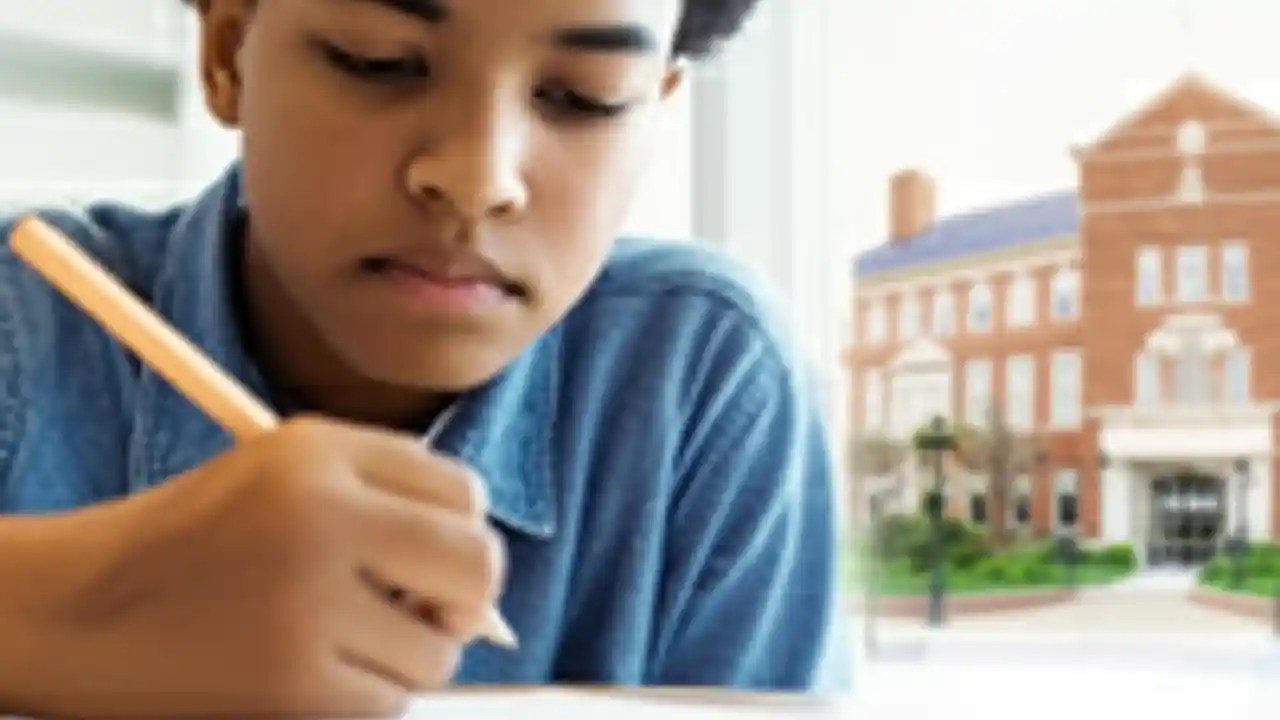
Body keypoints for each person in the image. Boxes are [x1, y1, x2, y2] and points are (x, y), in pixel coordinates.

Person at [0, 0, 849, 716]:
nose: (478, 179)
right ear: (228, 55)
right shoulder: (24, 330)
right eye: (380, 63)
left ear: (654, 110)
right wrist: (69, 603)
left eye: (583, 98)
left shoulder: (703, 385)